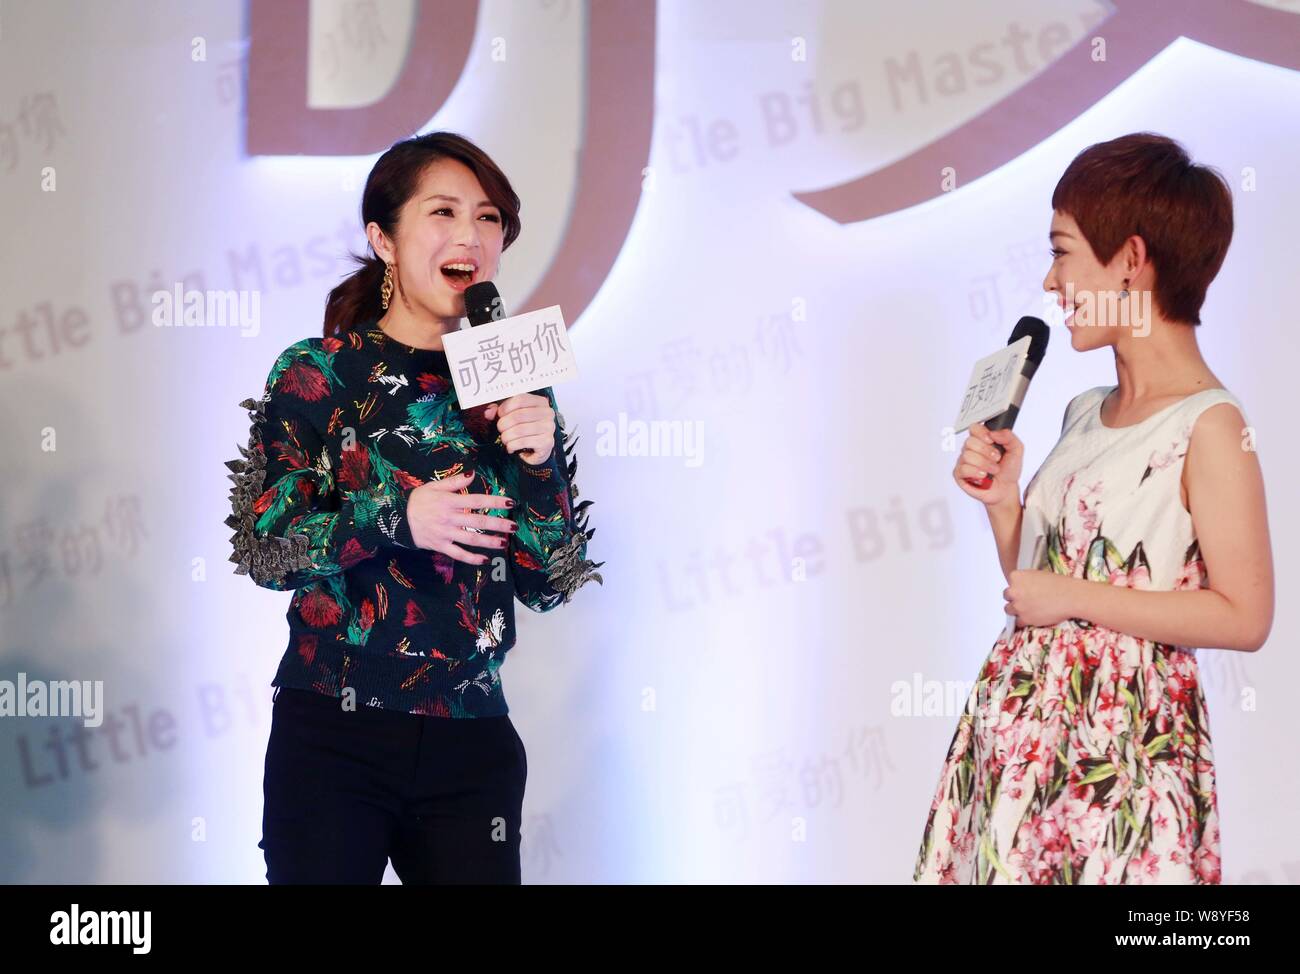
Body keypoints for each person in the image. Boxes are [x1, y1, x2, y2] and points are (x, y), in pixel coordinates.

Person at [223, 131, 603, 884]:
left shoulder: (515, 382)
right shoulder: (319, 372)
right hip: (334, 729)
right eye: (444, 213)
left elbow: (549, 584)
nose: (471, 236)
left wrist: (538, 461)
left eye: (489, 219)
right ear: (384, 240)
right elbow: (268, 549)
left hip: (472, 740)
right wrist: (398, 518)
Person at [913, 132, 1273, 884]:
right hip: (1018, 747)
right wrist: (1005, 504)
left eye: (1064, 251)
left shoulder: (1209, 424)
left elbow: (1245, 615)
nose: (1053, 281)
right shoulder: (1083, 409)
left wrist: (1069, 593)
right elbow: (1038, 590)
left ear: (1132, 260)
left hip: (1119, 770)